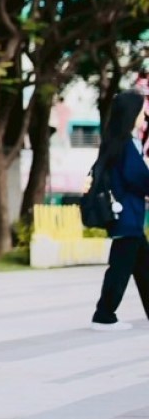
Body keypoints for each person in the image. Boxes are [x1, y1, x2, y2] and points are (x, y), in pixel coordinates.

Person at [91, 90, 149, 329]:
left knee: (144, 268)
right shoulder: (125, 144)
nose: (144, 115)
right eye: (141, 110)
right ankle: (104, 315)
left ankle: (104, 314)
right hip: (127, 217)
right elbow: (138, 177)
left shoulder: (117, 141)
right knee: (120, 269)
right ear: (131, 113)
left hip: (129, 217)